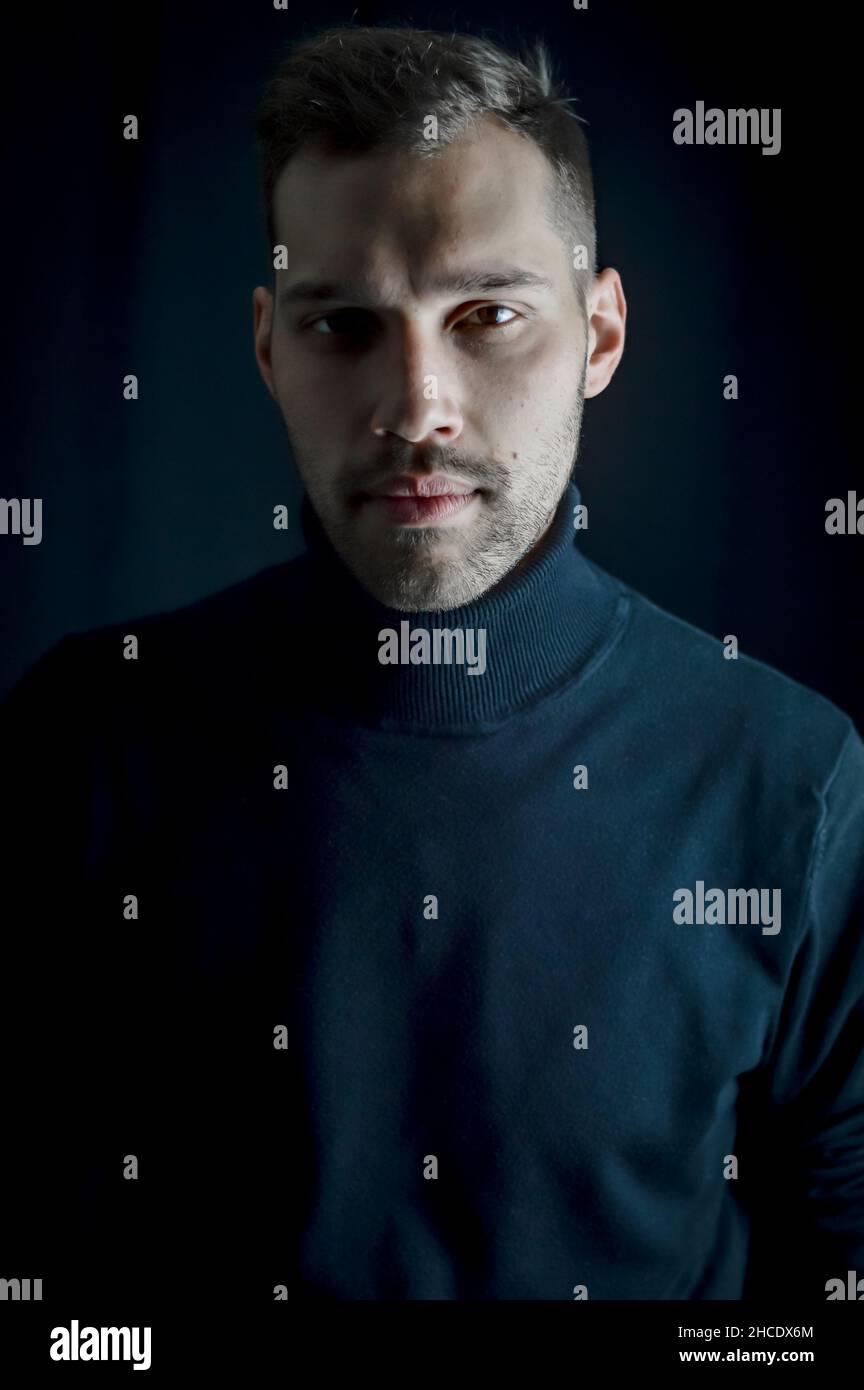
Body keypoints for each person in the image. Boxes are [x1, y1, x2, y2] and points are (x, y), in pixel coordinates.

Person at [2, 24, 862, 1304]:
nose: (417, 407)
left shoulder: (789, 777)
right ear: (266, 348)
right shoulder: (85, 737)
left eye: (487, 315)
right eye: (344, 324)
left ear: (602, 335)